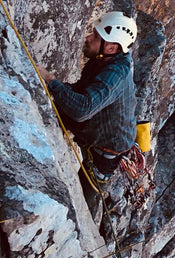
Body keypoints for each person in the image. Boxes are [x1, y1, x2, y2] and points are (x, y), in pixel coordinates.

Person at [37, 11, 138, 183]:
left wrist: (51, 81)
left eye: (96, 37)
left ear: (111, 48)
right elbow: (81, 90)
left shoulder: (116, 74)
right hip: (94, 130)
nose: (89, 37)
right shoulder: (102, 61)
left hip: (104, 155)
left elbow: (82, 110)